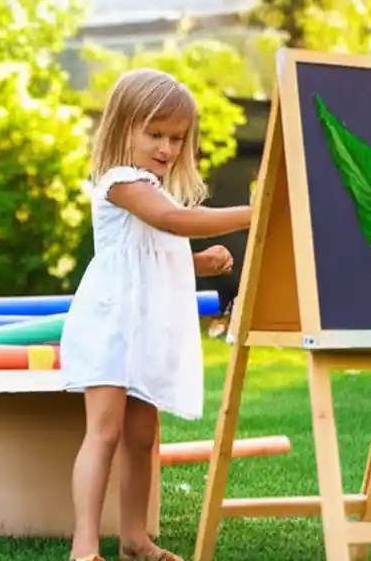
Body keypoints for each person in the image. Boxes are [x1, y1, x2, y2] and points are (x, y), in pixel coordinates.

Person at [59, 69, 252, 561]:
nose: (167, 147)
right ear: (124, 127)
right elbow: (172, 222)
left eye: (177, 138)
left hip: (145, 327)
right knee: (105, 431)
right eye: (156, 134)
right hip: (112, 323)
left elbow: (153, 251)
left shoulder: (155, 188)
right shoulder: (122, 182)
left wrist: (198, 262)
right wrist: (256, 211)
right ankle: (84, 547)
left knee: (143, 435)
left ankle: (134, 539)